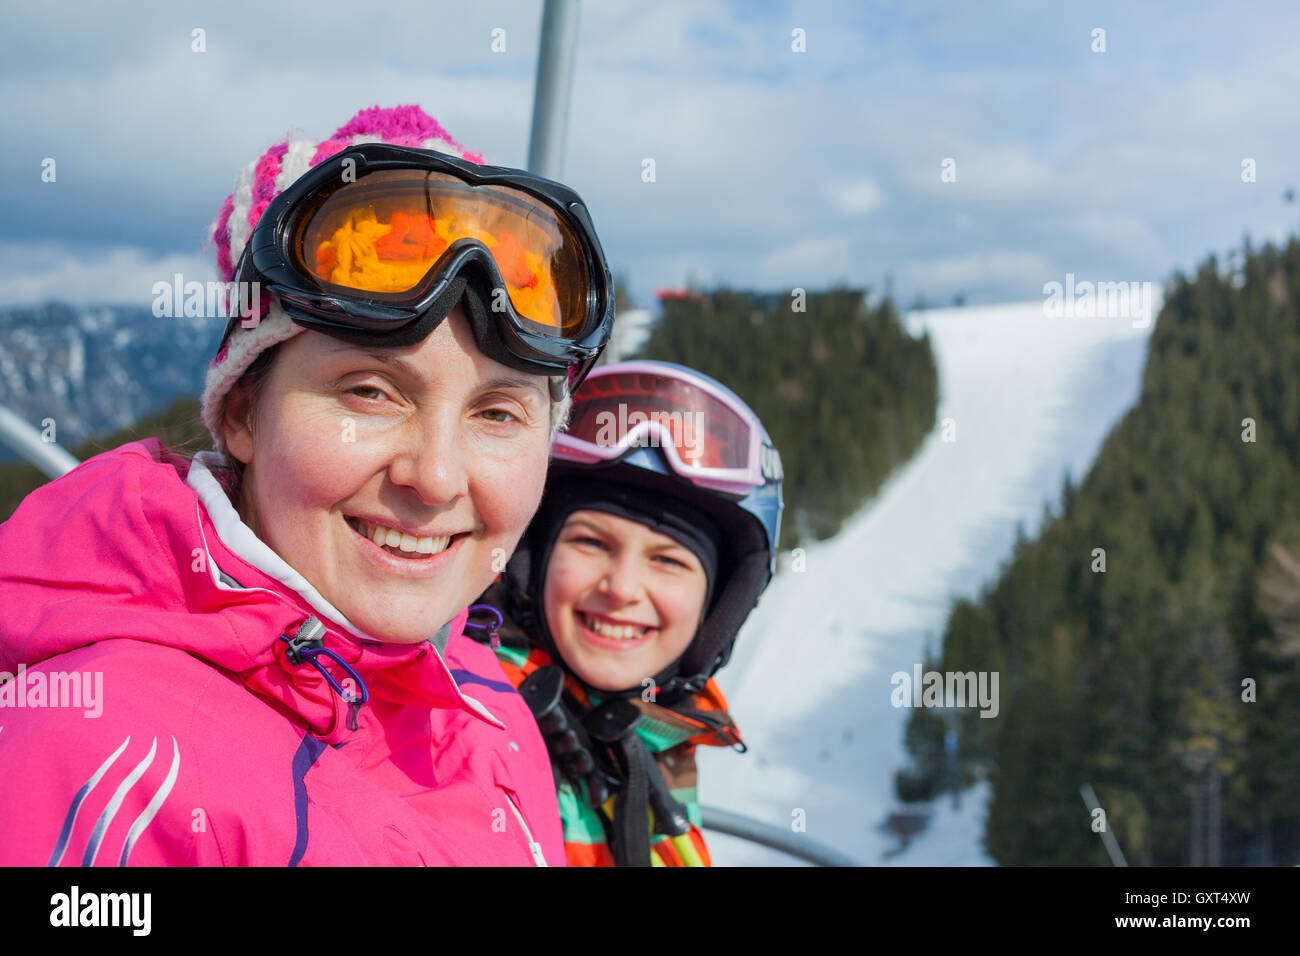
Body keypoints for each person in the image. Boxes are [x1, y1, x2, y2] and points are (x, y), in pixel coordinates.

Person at [0, 105, 616, 866]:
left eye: (497, 413)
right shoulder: (104, 757)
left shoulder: (477, 693)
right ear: (242, 414)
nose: (434, 477)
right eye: (370, 392)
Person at [475, 360, 783, 866]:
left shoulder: (655, 739)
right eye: (592, 543)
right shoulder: (473, 716)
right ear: (532, 562)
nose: (620, 589)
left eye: (667, 561)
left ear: (717, 606)